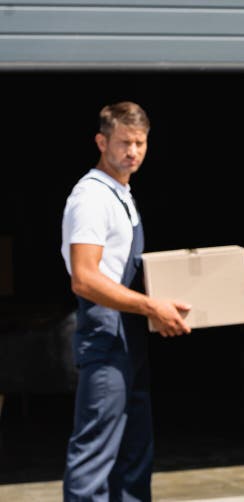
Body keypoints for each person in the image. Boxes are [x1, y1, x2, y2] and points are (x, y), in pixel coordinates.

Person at [61, 101, 191, 501]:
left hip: (129, 337)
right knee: (95, 457)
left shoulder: (122, 193)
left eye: (140, 143)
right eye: (123, 142)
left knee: (135, 455)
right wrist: (152, 307)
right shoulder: (91, 198)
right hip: (106, 336)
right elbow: (84, 278)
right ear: (102, 141)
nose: (132, 151)